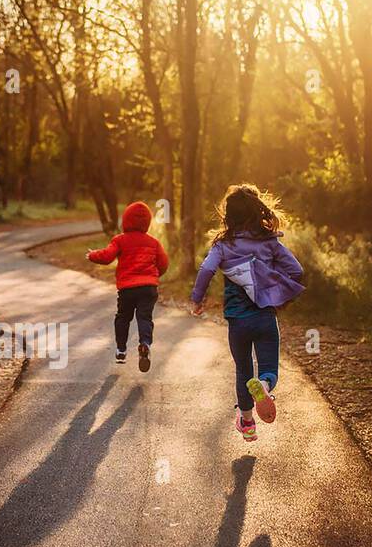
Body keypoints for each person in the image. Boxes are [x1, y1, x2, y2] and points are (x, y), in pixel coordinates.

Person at [189, 185, 305, 442]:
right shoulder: (269, 242)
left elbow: (206, 270)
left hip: (237, 322)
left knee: (243, 370)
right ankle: (263, 386)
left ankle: (248, 423)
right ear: (256, 211)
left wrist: (197, 299)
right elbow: (296, 270)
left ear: (228, 216)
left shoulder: (223, 246)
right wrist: (277, 289)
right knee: (268, 368)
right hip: (265, 317)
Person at [87, 201, 170, 372]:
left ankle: (121, 350)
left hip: (127, 289)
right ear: (147, 222)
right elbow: (163, 263)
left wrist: (92, 255)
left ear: (125, 220)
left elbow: (107, 256)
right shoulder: (153, 242)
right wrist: (153, 276)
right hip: (148, 288)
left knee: (123, 317)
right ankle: (145, 343)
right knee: (144, 317)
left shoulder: (120, 240)